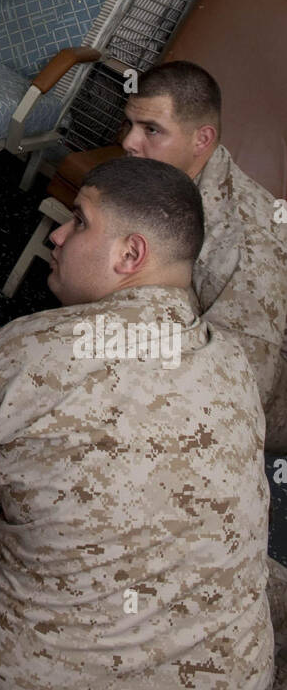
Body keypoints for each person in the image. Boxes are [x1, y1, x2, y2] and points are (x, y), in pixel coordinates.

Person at [0, 157, 274, 690]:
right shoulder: (236, 366)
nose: (57, 234)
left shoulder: (29, 353)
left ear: (130, 255)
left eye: (79, 221)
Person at [121, 61, 287, 448]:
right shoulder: (174, 175)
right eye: (129, 124)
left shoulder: (240, 249)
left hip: (251, 398)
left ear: (201, 140)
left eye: (151, 130)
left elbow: (240, 390)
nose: (129, 141)